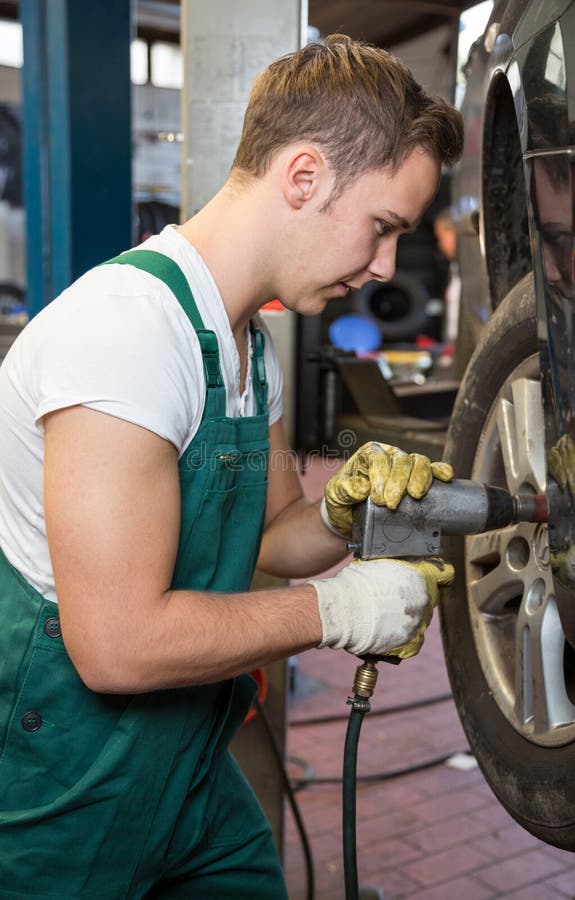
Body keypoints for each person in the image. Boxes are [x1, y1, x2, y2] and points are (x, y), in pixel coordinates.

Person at [0, 34, 463, 898]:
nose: (385, 267)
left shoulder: (249, 342)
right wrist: (339, 609)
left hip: (189, 771)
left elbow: (271, 539)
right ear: (303, 177)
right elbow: (117, 645)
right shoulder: (128, 332)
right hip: (61, 785)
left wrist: (337, 515)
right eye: (382, 227)